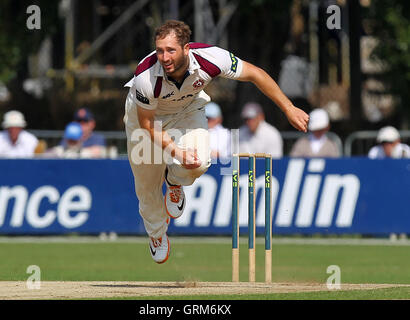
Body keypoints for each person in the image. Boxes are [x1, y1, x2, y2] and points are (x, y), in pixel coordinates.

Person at [123, 20, 309, 264]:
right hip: (145, 119)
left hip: (188, 109)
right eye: (159, 50)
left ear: (186, 48)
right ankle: (157, 234)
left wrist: (289, 107)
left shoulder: (212, 59)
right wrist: (176, 152)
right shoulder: (146, 78)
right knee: (146, 187)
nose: (164, 57)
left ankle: (174, 181)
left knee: (199, 162)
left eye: (171, 50)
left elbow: (255, 74)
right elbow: (148, 125)